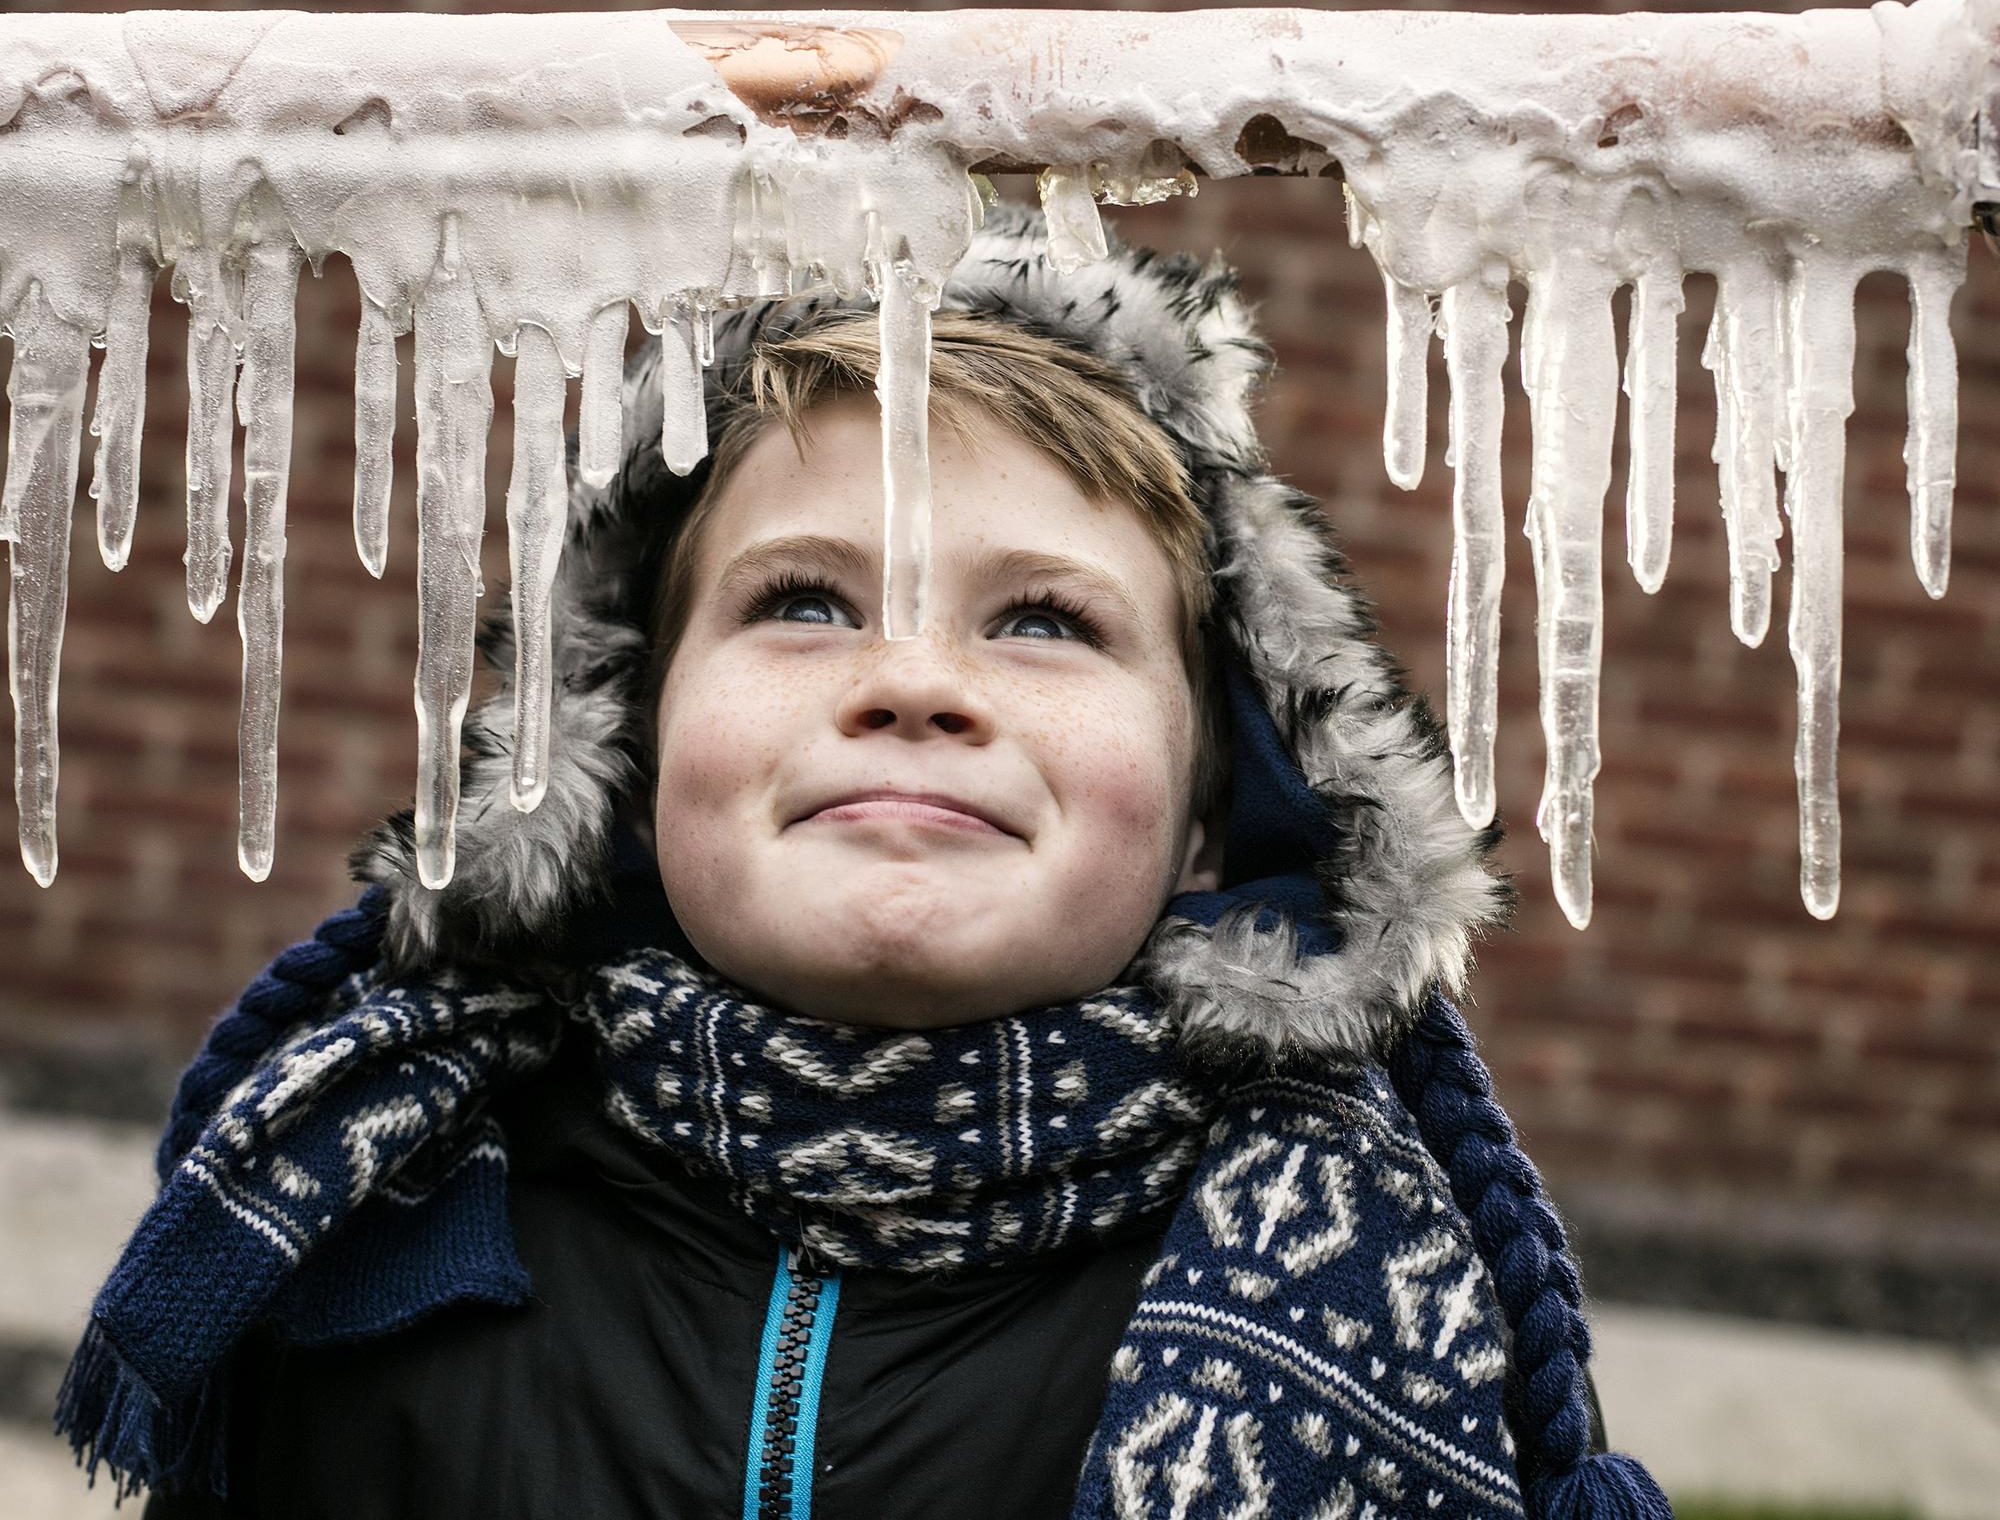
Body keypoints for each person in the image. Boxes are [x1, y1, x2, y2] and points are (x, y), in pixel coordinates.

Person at [57, 202, 1663, 1519]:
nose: (912, 682)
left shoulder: (1354, 1271)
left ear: (1210, 816)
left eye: (1043, 620)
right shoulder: (385, 1206)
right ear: (619, 746)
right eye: (804, 603)